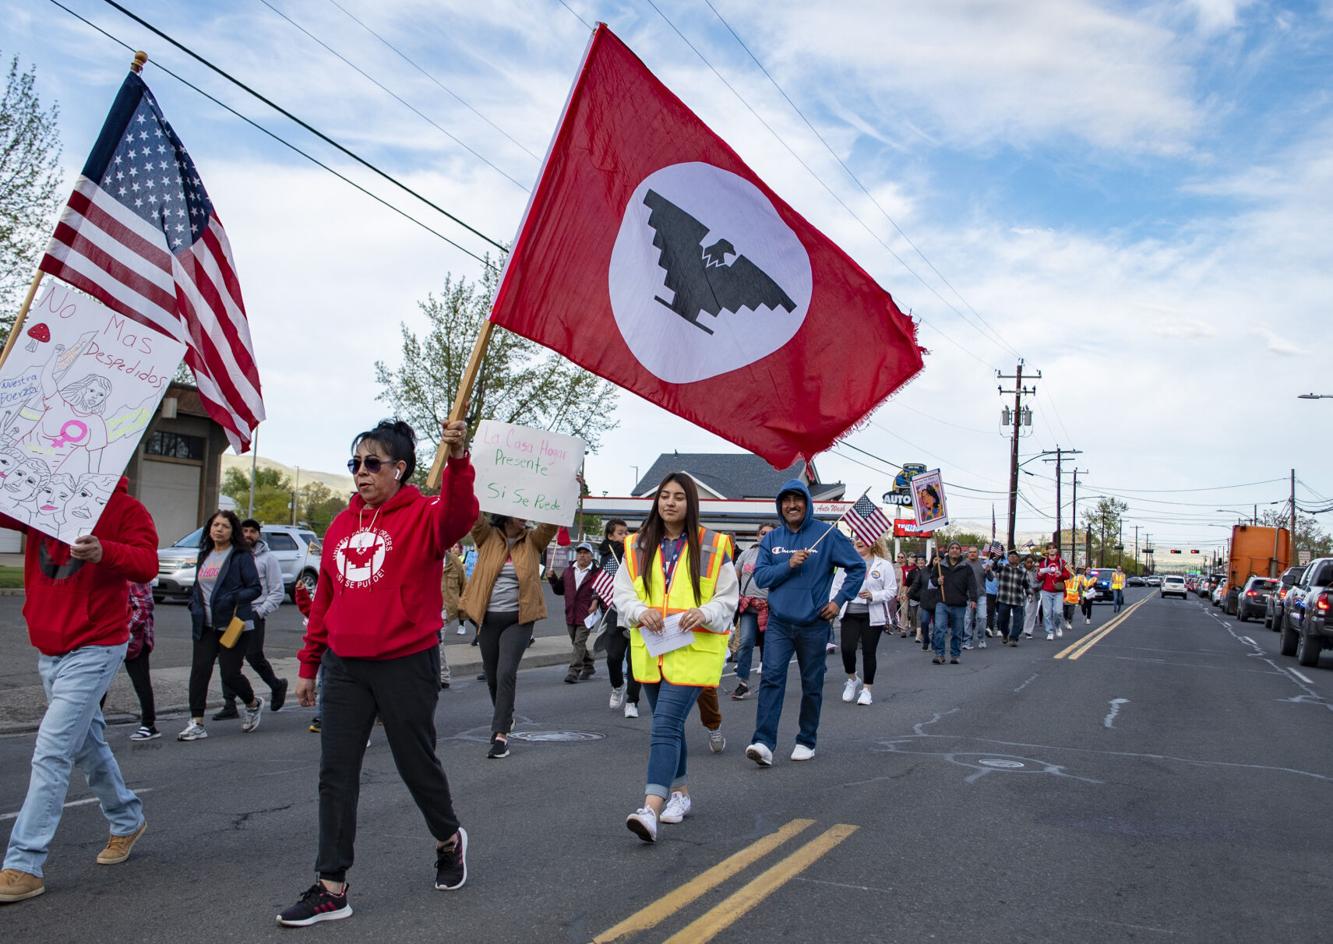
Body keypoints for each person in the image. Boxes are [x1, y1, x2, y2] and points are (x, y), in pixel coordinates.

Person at [279, 419, 476, 927]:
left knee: (416, 764)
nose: (361, 474)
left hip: (405, 664)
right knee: (335, 773)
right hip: (345, 668)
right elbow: (324, 598)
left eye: (372, 463)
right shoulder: (342, 526)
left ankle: (449, 838)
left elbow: (459, 515)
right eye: (355, 464)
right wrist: (310, 664)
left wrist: (457, 460)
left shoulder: (424, 516)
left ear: (400, 470)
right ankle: (331, 886)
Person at [0, 476, 156, 904]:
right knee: (85, 743)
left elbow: (146, 563)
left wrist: (106, 552)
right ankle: (126, 818)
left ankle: (24, 863)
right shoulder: (39, 496)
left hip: (98, 644)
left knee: (51, 749)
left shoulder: (126, 509)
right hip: (51, 648)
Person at [615, 473, 737, 843]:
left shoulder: (713, 545)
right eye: (664, 496)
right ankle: (680, 795)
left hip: (692, 652)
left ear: (691, 504)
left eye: (679, 497)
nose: (670, 502)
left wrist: (706, 612)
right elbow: (623, 594)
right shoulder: (636, 545)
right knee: (670, 727)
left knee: (664, 726)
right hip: (653, 652)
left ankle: (650, 808)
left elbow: (728, 598)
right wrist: (638, 612)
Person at [744, 480, 864, 767]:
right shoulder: (772, 539)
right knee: (771, 679)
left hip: (814, 624)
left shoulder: (826, 534)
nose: (792, 505)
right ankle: (763, 743)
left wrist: (838, 601)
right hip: (778, 623)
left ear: (807, 503)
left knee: (812, 684)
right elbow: (761, 578)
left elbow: (857, 567)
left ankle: (806, 740)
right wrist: (789, 565)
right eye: (786, 501)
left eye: (798, 499)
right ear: (780, 506)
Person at [461, 512, 558, 759]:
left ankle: (500, 734)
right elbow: (472, 513)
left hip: (518, 619)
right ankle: (506, 715)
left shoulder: (533, 540)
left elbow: (550, 522)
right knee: (492, 676)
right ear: (505, 514)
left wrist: (567, 489)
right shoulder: (486, 536)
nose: (524, 518)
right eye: (519, 514)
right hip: (488, 618)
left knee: (506, 672)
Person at [177, 510, 264, 742]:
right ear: (209, 528)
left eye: (224, 526)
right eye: (215, 525)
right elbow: (199, 586)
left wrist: (233, 597)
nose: (219, 529)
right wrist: (193, 604)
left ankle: (253, 703)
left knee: (230, 674)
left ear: (232, 531)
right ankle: (197, 722)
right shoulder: (204, 554)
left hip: (233, 625)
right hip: (205, 625)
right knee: (200, 672)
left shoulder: (240, 556)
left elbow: (255, 588)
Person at [215, 519, 289, 720]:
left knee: (254, 656)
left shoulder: (268, 559)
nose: (248, 534)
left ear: (259, 534)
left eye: (252, 531)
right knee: (227, 659)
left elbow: (277, 592)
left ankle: (277, 685)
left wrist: (260, 612)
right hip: (231, 615)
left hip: (254, 613)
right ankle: (230, 703)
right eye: (244, 530)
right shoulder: (231, 555)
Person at [833, 536, 896, 706]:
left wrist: (874, 596)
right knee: (847, 649)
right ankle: (852, 679)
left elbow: (891, 590)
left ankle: (867, 690)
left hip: (872, 615)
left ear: (872, 542)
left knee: (868, 652)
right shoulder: (846, 564)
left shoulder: (884, 565)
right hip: (850, 612)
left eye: (863, 538)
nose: (858, 542)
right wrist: (834, 605)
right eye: (856, 540)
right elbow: (836, 587)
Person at [599, 520, 640, 717]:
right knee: (613, 657)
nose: (625, 536)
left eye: (627, 533)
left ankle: (632, 701)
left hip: (636, 611)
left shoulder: (636, 553)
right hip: (616, 612)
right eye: (620, 533)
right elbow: (601, 583)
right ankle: (617, 686)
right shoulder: (607, 556)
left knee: (635, 660)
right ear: (610, 536)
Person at [731, 522, 776, 700]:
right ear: (757, 535)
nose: (765, 536)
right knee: (745, 643)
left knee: (769, 646)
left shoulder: (777, 556)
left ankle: (769, 682)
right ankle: (743, 683)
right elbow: (734, 577)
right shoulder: (746, 554)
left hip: (770, 608)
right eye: (762, 533)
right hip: (747, 607)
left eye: (770, 534)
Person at [551, 541, 600, 684]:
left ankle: (573, 671)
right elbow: (559, 590)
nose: (582, 556)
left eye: (585, 553)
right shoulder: (568, 571)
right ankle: (589, 664)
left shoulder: (596, 572)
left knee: (579, 643)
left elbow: (601, 591)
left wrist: (595, 601)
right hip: (571, 613)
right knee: (576, 642)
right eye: (580, 553)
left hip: (587, 614)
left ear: (591, 555)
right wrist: (552, 578)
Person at [931, 542, 978, 664]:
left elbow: (972, 584)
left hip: (959, 604)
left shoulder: (966, 567)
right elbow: (931, 581)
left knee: (957, 631)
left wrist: (973, 599)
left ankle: (955, 655)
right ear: (948, 550)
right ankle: (939, 654)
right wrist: (937, 580)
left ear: (960, 551)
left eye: (957, 548)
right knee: (939, 629)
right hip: (942, 602)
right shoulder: (940, 566)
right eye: (952, 548)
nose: (955, 550)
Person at [125, 581, 159, 740]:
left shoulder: (133, 575)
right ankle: (90, 726)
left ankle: (148, 724)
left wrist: (125, 627)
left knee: (141, 681)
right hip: (110, 637)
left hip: (135, 639)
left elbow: (145, 606)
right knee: (100, 683)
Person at [1037, 543, 1072, 641]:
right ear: (1047, 551)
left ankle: (1057, 626)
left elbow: (1068, 575)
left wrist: (1060, 574)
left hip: (1058, 591)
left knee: (1058, 611)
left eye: (1053, 548)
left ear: (1056, 550)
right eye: (1050, 548)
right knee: (1047, 613)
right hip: (1046, 590)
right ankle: (1050, 631)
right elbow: (1039, 578)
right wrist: (1040, 574)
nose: (1052, 550)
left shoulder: (1061, 562)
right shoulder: (1043, 563)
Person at [994, 549, 1027, 646]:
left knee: (1018, 620)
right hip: (1004, 598)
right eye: (1010, 556)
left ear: (1018, 559)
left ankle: (1013, 638)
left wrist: (1029, 594)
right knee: (1002, 620)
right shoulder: (1003, 567)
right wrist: (997, 559)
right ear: (1008, 558)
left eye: (1015, 556)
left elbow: (1027, 585)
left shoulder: (1022, 571)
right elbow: (994, 568)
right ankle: (1005, 633)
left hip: (1018, 598)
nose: (1013, 557)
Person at [910, 553, 940, 652]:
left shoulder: (945, 573)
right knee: (924, 622)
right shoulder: (924, 571)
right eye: (936, 559)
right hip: (926, 601)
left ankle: (935, 642)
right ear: (932, 560)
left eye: (940, 560)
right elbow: (916, 583)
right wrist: (910, 593)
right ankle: (926, 640)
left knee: (938, 625)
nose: (937, 561)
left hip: (939, 602)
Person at [962, 546, 988, 650]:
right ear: (967, 553)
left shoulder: (983, 564)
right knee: (968, 619)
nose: (972, 554)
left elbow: (990, 578)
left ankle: (981, 639)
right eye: (970, 552)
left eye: (974, 552)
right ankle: (967, 640)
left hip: (981, 595)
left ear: (978, 553)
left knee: (982, 617)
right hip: (967, 596)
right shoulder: (963, 564)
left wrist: (988, 571)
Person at [1062, 567, 1082, 637]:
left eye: (1071, 570)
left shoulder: (1077, 579)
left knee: (1071, 612)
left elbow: (1080, 589)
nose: (1070, 571)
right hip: (1064, 599)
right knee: (1065, 612)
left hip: (1073, 599)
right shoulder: (1064, 578)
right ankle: (1066, 620)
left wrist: (1081, 598)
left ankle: (1069, 622)